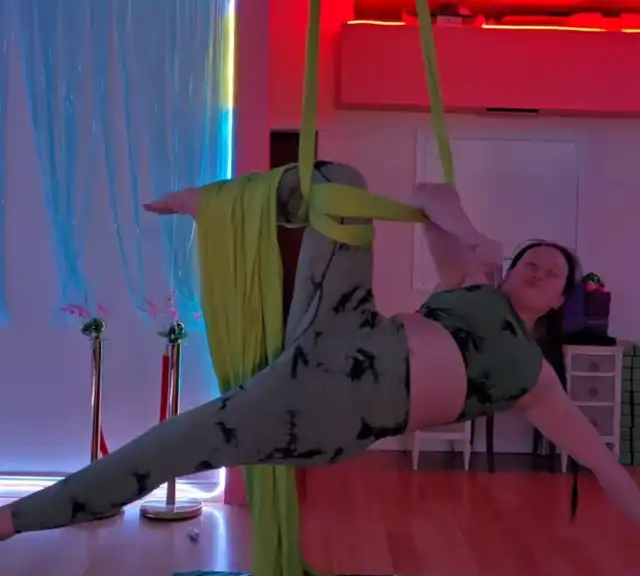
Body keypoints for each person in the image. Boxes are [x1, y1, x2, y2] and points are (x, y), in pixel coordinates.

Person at [1, 162, 639, 540]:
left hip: (332, 411)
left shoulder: (538, 380)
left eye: (553, 273)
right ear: (511, 267)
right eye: (532, 260)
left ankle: (11, 521)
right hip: (342, 331)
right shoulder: (470, 281)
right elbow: (427, 191)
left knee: (165, 448)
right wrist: (472, 237)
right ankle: (220, 206)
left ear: (561, 299)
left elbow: (607, 469)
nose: (539, 271)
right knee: (338, 183)